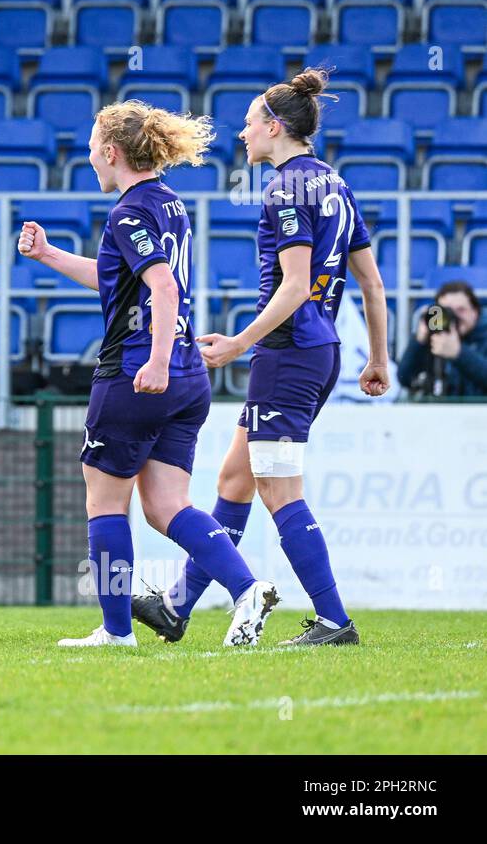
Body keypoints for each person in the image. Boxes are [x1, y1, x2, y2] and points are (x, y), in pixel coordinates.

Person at [135, 69, 390, 647]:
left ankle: (333, 622)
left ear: (275, 127)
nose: (242, 134)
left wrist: (238, 343)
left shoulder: (286, 188)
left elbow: (296, 284)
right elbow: (372, 285)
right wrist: (377, 358)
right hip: (318, 349)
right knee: (234, 477)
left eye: (249, 123)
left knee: (280, 490)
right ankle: (177, 607)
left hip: (289, 354)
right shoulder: (334, 183)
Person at [19, 101, 280, 649]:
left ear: (112, 152)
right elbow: (125, 281)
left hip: (138, 372)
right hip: (187, 377)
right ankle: (246, 589)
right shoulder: (168, 203)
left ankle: (117, 632)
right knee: (167, 506)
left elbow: (162, 286)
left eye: (93, 147)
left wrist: (155, 359)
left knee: (105, 502)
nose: (90, 156)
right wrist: (49, 256)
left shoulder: (128, 212)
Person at [397, 280, 487, 398]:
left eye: (461, 310)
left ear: (475, 311)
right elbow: (404, 378)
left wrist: (459, 354)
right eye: (446, 311)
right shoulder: (433, 337)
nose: (454, 316)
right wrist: (419, 341)